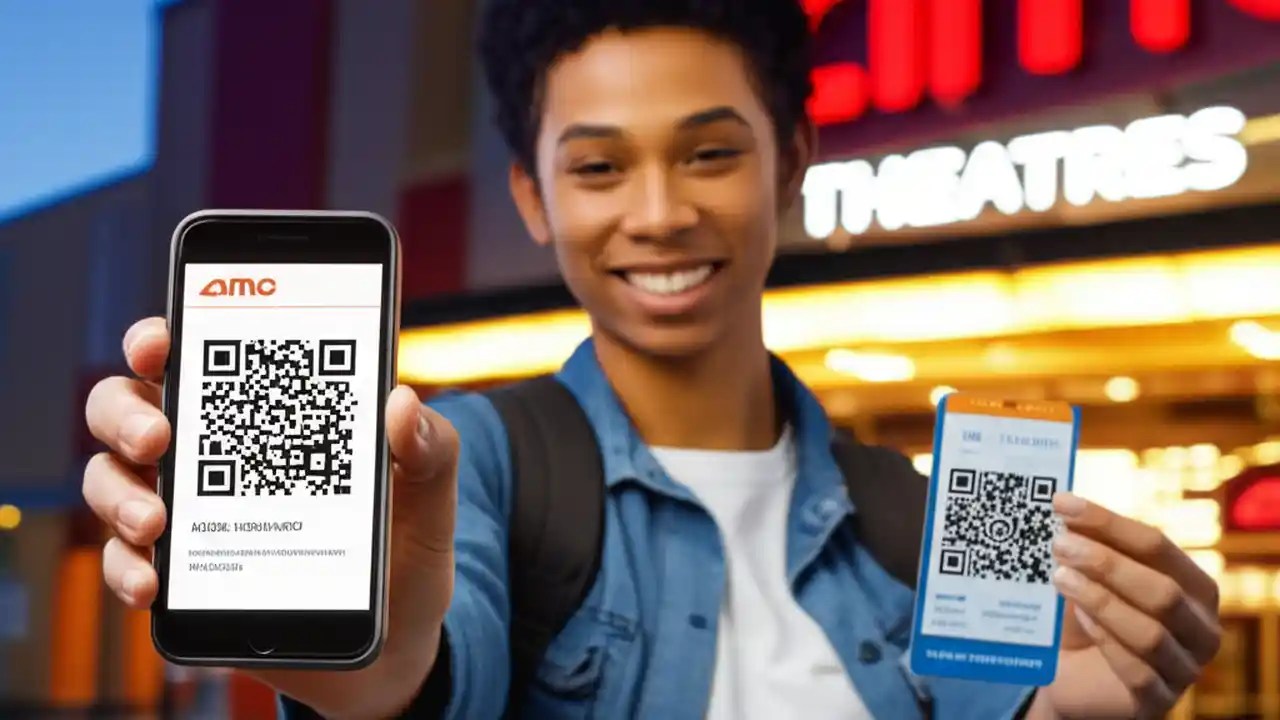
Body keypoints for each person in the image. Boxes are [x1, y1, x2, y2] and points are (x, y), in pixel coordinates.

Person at [82, 0, 1223, 717]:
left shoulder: (927, 514)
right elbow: (422, 673)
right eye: (596, 169)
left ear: (790, 163)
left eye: (711, 152)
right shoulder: (466, 462)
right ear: (531, 197)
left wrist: (1080, 710)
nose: (660, 213)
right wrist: (348, 653)